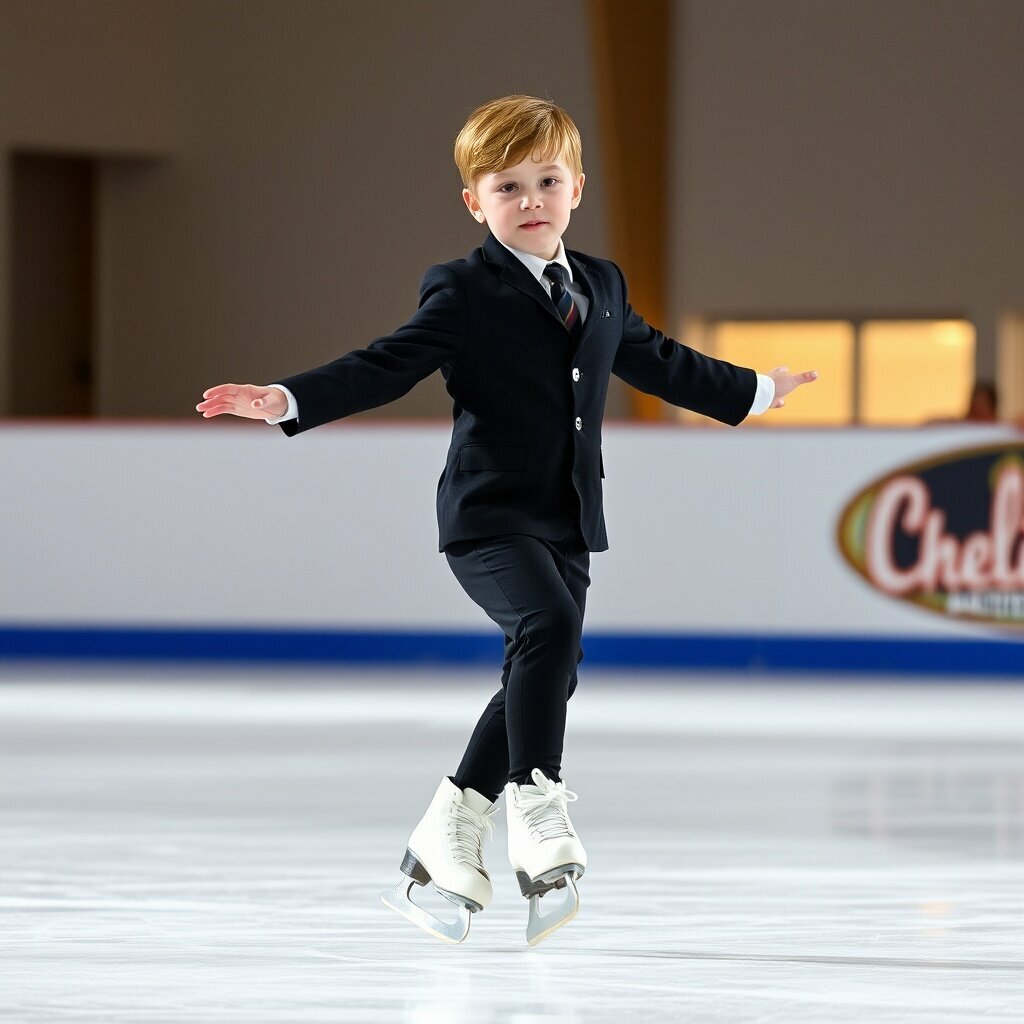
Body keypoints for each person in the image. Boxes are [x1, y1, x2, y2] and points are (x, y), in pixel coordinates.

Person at [196, 95, 818, 946]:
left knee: (547, 663)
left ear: (577, 189)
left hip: (567, 516)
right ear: (475, 202)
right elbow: (387, 364)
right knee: (549, 627)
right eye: (509, 185)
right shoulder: (462, 290)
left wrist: (756, 389)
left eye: (547, 181)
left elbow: (660, 361)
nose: (531, 199)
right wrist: (289, 398)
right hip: (488, 517)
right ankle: (536, 802)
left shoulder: (600, 285)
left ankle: (445, 830)